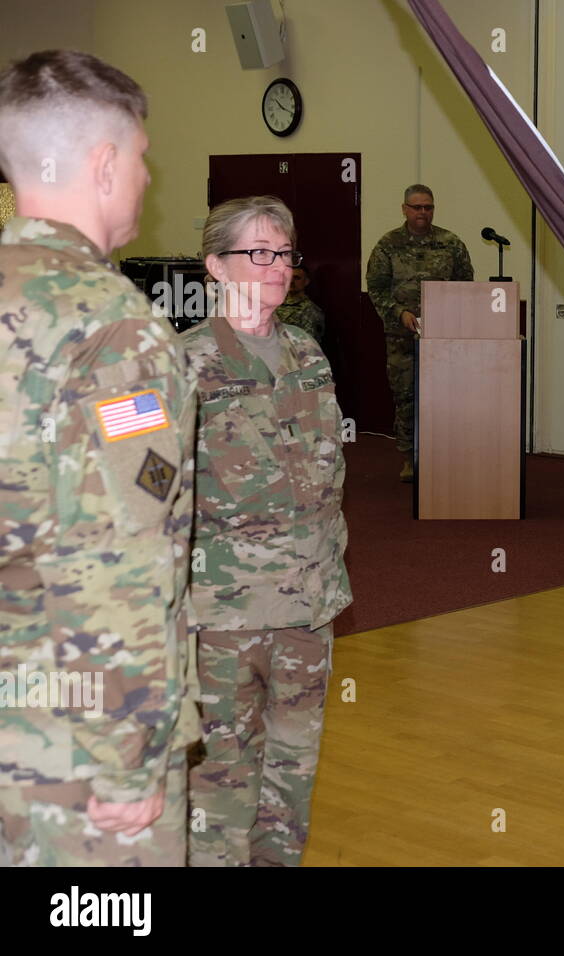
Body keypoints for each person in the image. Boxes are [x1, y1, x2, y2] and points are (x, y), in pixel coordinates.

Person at [0, 50, 197, 866]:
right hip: (69, 756)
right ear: (106, 163)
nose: (147, 179)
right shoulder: (112, 327)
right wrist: (129, 761)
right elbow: (119, 557)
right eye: (144, 157)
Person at [184, 195, 352, 866]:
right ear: (216, 267)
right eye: (258, 253)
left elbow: (330, 476)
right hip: (222, 617)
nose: (276, 266)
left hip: (306, 609)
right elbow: (140, 487)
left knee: (291, 779)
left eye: (284, 253)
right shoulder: (179, 365)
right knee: (222, 782)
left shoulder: (308, 354)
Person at [365, 184, 474, 481]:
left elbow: (466, 285)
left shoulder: (450, 243)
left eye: (428, 207)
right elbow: (376, 287)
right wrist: (398, 312)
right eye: (416, 207)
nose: (422, 213)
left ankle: (444, 455)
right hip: (402, 337)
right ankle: (410, 459)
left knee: (445, 397)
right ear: (404, 209)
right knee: (407, 398)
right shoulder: (388, 245)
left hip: (444, 337)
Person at [274, 263, 326, 343]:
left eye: (296, 278)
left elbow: (308, 344)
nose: (291, 281)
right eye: (289, 277)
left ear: (306, 282)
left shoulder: (310, 311)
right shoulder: (275, 304)